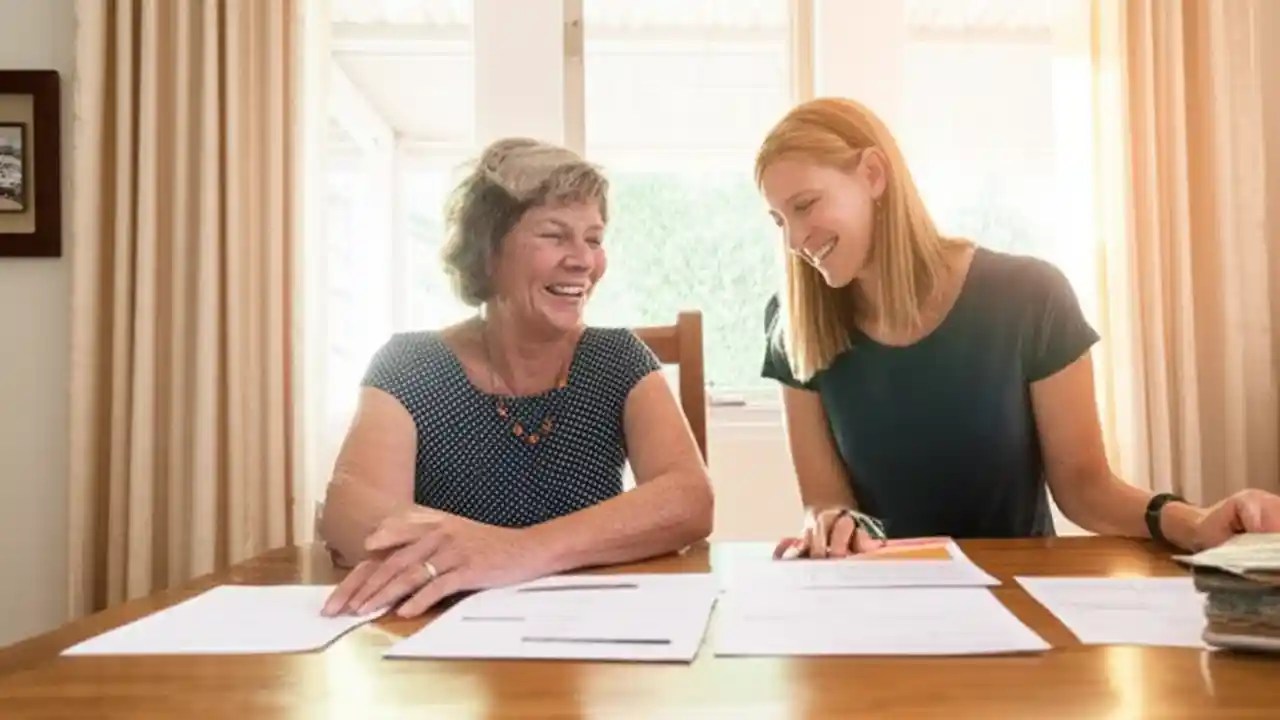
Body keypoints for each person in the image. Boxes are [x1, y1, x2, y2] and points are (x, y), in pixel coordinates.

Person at [756, 97, 1280, 559]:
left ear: (873, 174)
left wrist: (1195, 523)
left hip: (1017, 594)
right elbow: (827, 504)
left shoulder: (1031, 297)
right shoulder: (793, 325)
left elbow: (1086, 488)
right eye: (780, 220)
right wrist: (829, 524)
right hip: (875, 598)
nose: (795, 240)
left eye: (805, 205)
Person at [319, 138, 712, 618]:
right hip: (440, 630)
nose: (584, 260)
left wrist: (517, 552)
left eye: (593, 239)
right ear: (488, 251)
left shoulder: (617, 358)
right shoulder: (409, 364)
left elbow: (689, 499)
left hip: (585, 626)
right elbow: (351, 510)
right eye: (554, 235)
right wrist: (479, 554)